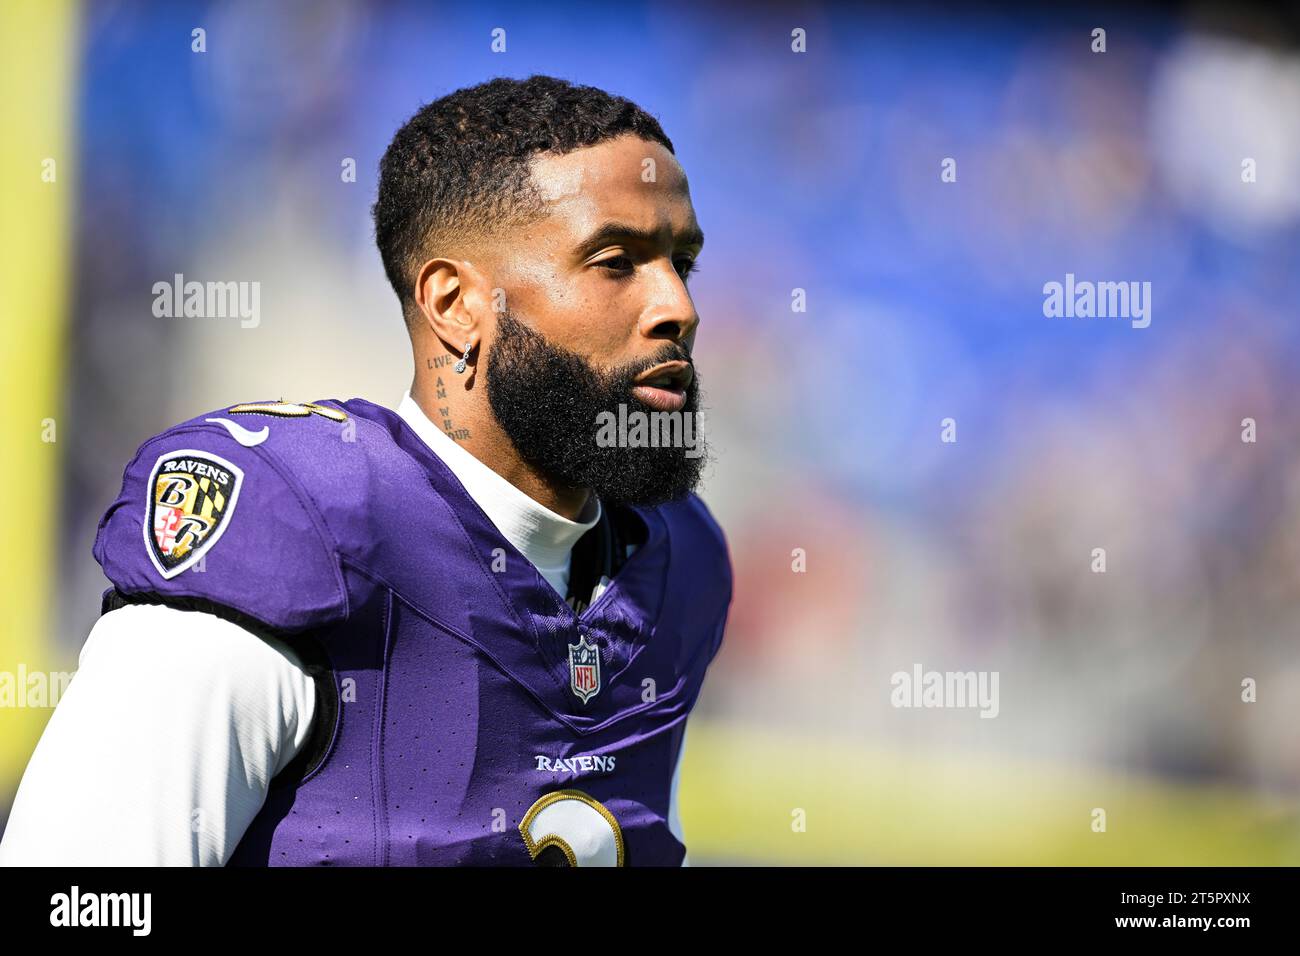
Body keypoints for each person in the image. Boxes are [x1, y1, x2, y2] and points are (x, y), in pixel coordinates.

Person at [0, 74, 731, 866]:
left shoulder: (676, 560)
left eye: (681, 262)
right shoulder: (299, 531)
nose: (678, 307)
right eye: (616, 260)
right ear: (454, 303)